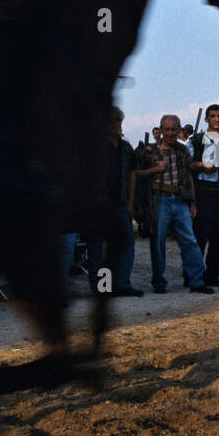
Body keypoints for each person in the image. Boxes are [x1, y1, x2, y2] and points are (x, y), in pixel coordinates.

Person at [138, 114, 213, 294]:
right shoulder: (149, 151)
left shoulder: (182, 150)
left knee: (190, 241)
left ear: (178, 131)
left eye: (174, 130)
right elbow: (137, 174)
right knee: (158, 242)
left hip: (180, 201)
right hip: (159, 200)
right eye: (167, 129)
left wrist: (192, 202)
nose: (170, 133)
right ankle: (159, 282)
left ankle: (196, 281)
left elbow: (188, 176)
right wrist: (155, 170)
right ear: (161, 130)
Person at [86, 106, 142, 297]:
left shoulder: (125, 148)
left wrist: (130, 203)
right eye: (113, 121)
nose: (117, 125)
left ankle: (122, 284)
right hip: (98, 205)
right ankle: (104, 288)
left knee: (126, 243)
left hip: (119, 204)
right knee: (99, 249)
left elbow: (132, 174)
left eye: (119, 121)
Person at [188, 103, 219, 288]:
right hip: (201, 194)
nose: (216, 119)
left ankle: (212, 275)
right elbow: (188, 165)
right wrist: (202, 166)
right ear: (206, 119)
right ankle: (193, 275)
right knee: (199, 237)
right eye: (213, 116)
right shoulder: (194, 141)